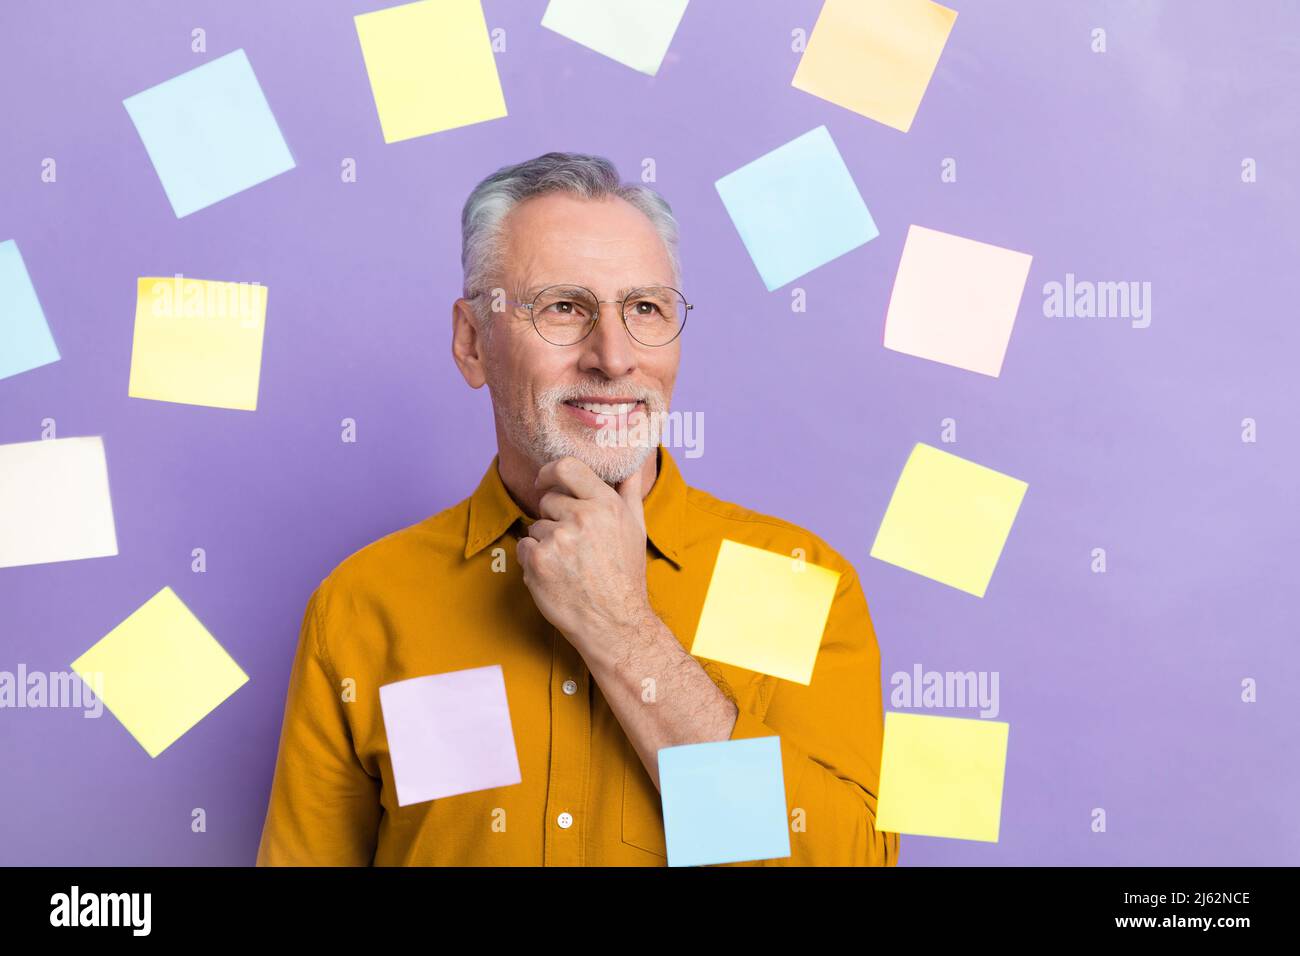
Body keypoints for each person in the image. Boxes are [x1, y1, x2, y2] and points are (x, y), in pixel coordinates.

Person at [255, 152, 897, 866]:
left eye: (645, 308)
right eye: (564, 306)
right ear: (473, 342)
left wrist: (623, 631)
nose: (614, 357)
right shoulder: (363, 606)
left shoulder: (796, 583)